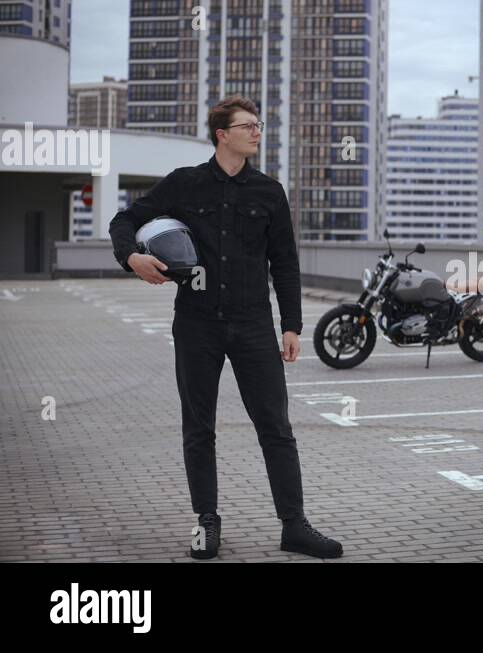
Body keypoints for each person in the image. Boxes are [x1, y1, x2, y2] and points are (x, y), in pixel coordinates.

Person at [109, 96, 343, 560]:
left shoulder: (269, 192)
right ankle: (207, 524)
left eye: (258, 125)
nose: (257, 131)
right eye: (248, 125)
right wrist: (132, 257)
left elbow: (286, 262)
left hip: (254, 324)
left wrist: (292, 326)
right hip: (196, 324)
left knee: (275, 426)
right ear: (223, 134)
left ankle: (294, 526)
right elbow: (126, 219)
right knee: (199, 427)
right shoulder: (184, 184)